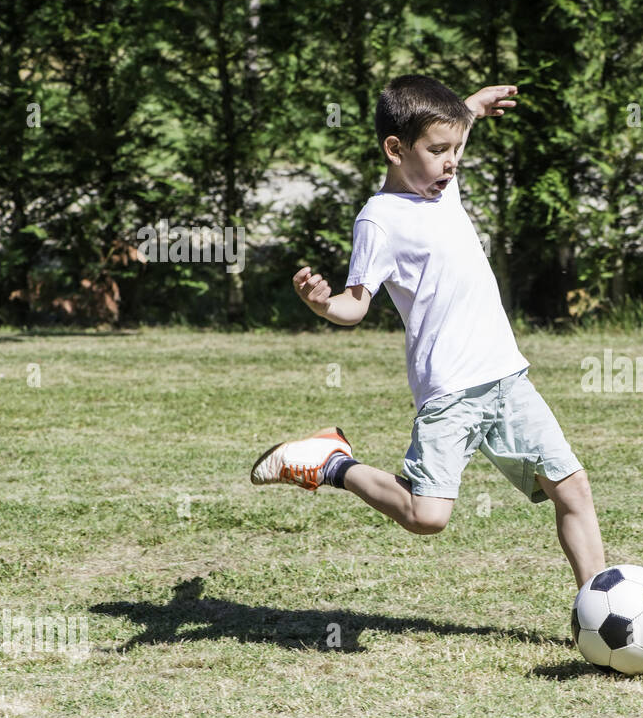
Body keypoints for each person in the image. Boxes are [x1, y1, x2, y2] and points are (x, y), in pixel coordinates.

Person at [251, 75, 605, 588]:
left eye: (457, 149)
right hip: (450, 390)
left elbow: (444, 128)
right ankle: (330, 462)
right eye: (439, 151)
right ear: (394, 150)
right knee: (426, 516)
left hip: (506, 377)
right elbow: (356, 304)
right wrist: (324, 304)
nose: (452, 162)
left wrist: (471, 109)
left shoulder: (442, 183)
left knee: (573, 490)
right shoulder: (380, 220)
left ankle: (596, 604)